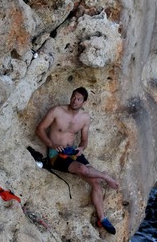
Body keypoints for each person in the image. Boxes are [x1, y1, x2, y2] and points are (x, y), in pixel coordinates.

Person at [35, 87, 119, 235]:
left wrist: (81, 148)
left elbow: (84, 140)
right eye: (73, 97)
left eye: (79, 99)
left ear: (84, 102)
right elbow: (39, 129)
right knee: (83, 170)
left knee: (95, 182)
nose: (75, 100)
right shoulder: (57, 111)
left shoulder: (85, 118)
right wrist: (51, 144)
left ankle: (102, 218)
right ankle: (106, 176)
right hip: (56, 154)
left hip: (73, 152)